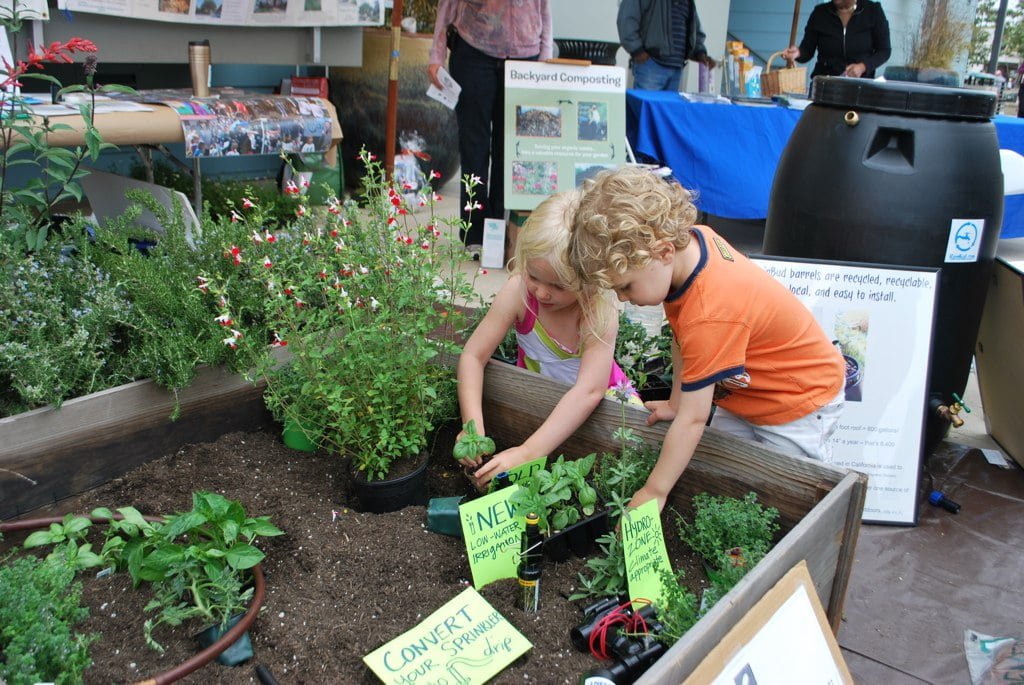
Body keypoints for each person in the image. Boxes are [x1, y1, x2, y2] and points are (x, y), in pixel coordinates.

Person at [568, 167, 846, 512]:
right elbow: (682, 337)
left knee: (789, 495)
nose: (623, 299)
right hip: (747, 390)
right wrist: (675, 402)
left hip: (798, 401)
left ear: (664, 252)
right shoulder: (692, 247)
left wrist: (655, 490)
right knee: (728, 474)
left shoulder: (710, 311)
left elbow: (694, 419)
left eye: (625, 286)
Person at [456, 191, 641, 488]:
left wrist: (529, 451)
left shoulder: (598, 311)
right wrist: (472, 425)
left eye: (558, 286)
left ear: (590, 279)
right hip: (540, 400)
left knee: (623, 464)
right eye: (534, 276)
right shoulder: (518, 293)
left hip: (604, 405)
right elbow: (473, 356)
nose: (541, 293)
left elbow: (589, 391)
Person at [428, 0, 552, 254]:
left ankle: (500, 231)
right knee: (474, 147)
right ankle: (474, 232)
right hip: (474, 50)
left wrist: (545, 55)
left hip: (525, 58)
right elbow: (447, 4)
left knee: (511, 149)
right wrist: (437, 55)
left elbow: (544, 7)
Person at [617, 0, 717, 92]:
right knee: (648, 110)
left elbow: (694, 30)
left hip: (676, 70)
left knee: (665, 111)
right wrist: (637, 51)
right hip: (651, 67)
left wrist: (700, 53)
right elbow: (626, 19)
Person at [782, 0, 891, 79]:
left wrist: (863, 66)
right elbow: (807, 50)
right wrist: (798, 53)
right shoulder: (820, 13)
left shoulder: (873, 11)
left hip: (860, 86)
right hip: (825, 84)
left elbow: (884, 51)